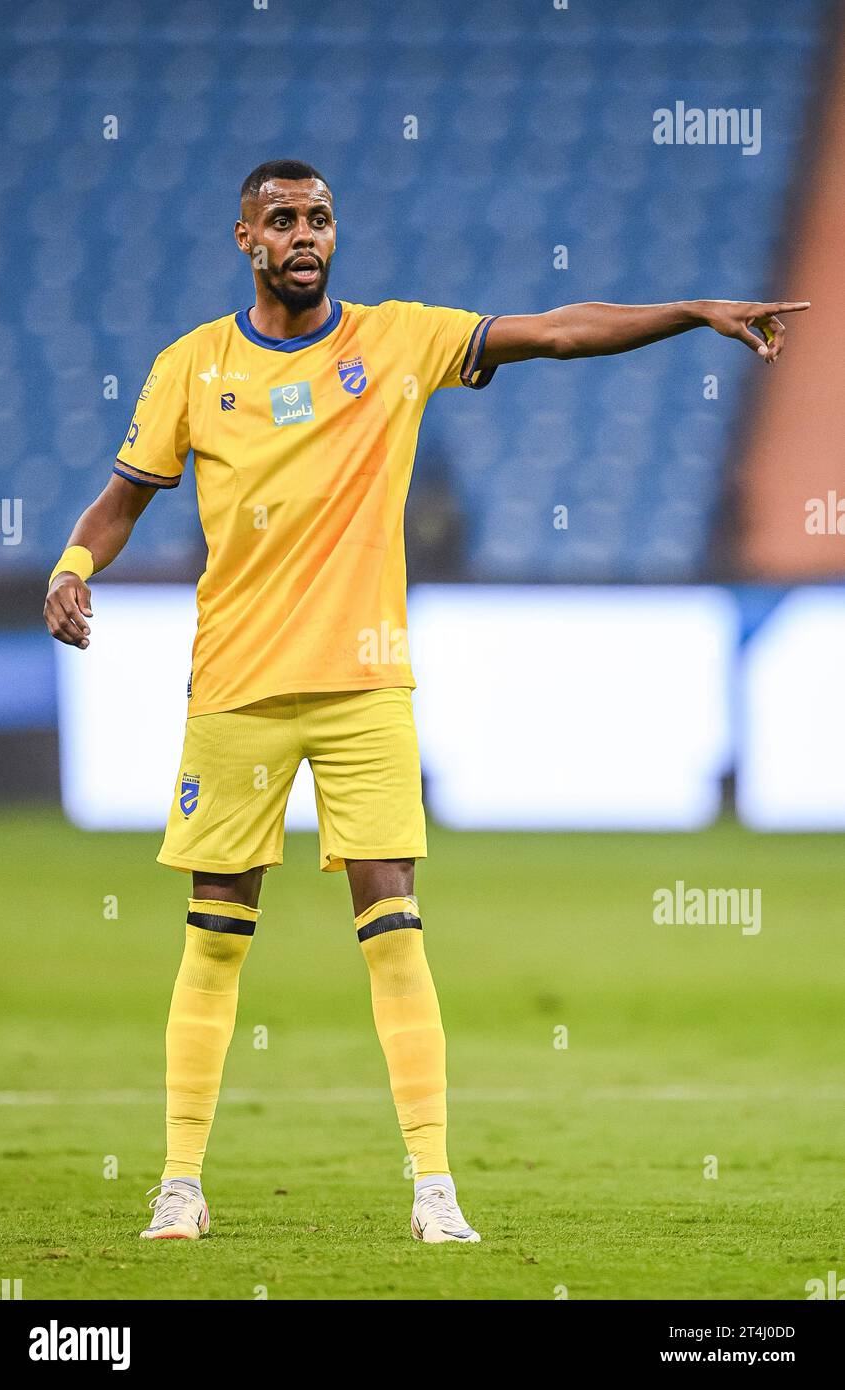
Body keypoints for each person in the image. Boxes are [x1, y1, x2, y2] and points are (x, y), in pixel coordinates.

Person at [44, 158, 808, 1244]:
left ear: (332, 234)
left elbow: (554, 330)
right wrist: (73, 563)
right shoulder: (192, 366)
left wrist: (688, 312)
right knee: (214, 936)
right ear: (244, 240)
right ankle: (177, 1183)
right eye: (281, 221)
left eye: (317, 218)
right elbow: (122, 496)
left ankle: (433, 1188)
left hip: (363, 686)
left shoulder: (397, 339)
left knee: (393, 929)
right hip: (235, 688)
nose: (303, 234)